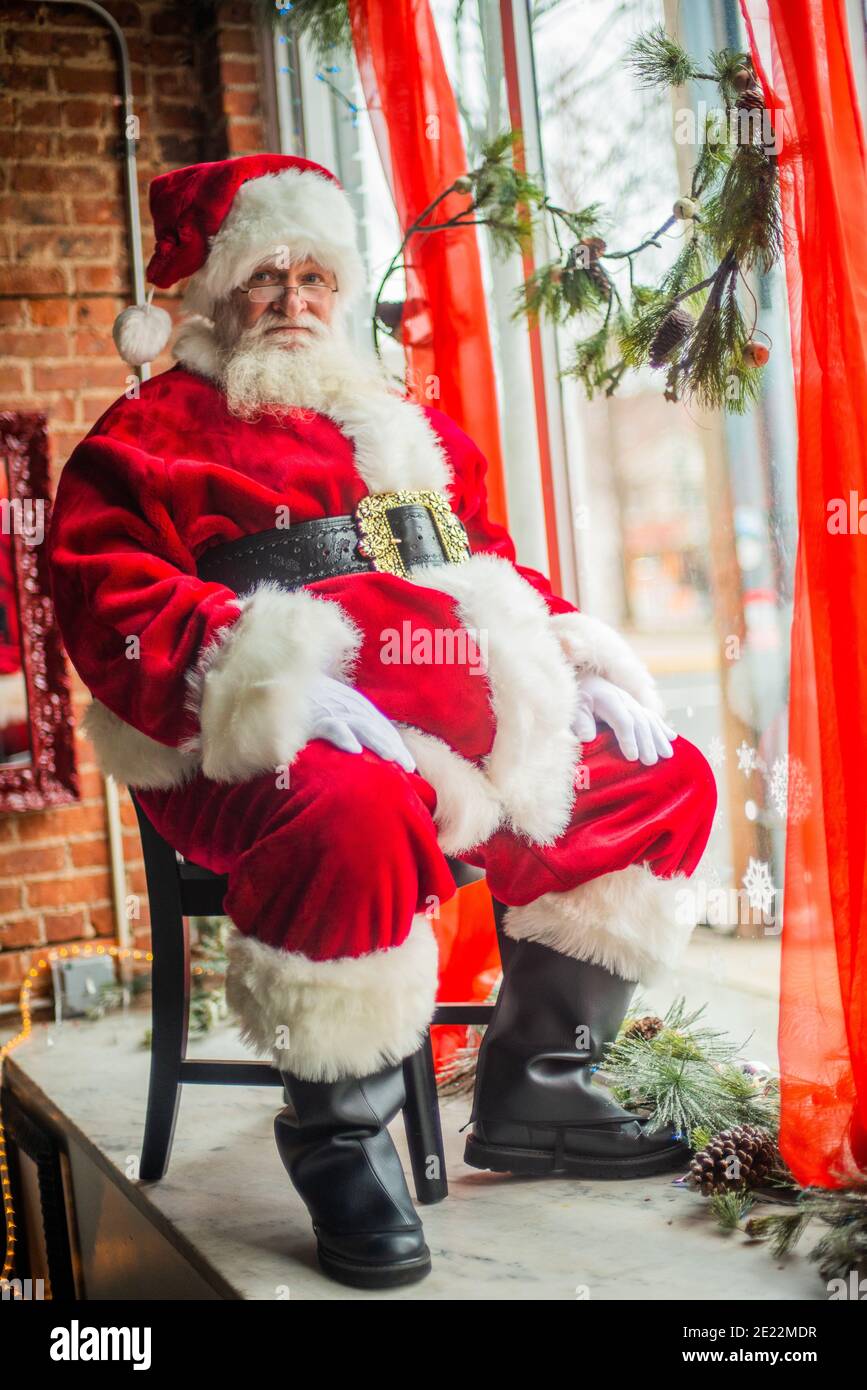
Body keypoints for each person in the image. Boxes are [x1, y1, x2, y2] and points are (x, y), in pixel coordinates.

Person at [46, 154, 717, 1291]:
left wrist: (568, 652)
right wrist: (259, 674)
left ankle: (540, 1081)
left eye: (318, 276)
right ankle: (341, 1136)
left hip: (457, 724)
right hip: (247, 738)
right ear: (215, 293)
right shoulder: (147, 432)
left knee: (668, 779)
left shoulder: (403, 421)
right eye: (268, 276)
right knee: (350, 808)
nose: (297, 300)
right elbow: (100, 592)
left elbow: (489, 561)